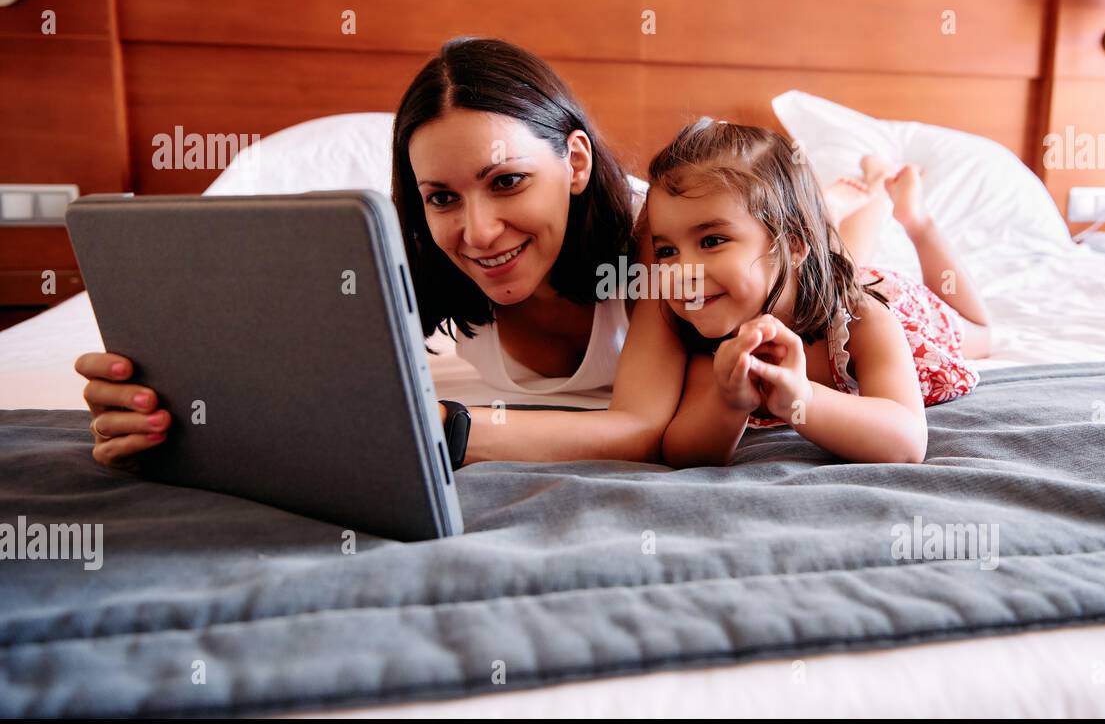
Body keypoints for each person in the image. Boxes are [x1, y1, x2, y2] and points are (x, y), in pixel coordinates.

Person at [75, 37, 687, 467]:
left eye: (506, 181)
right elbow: (282, 363)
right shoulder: (408, 248)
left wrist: (440, 428)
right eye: (442, 197)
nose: (476, 233)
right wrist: (165, 405)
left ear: (574, 162)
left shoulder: (657, 239)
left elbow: (637, 430)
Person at [644, 118, 990, 467]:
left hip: (881, 298)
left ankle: (908, 212)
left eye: (712, 241)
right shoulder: (711, 334)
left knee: (982, 335)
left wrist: (802, 399)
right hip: (805, 273)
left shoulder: (864, 320)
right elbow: (680, 451)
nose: (681, 273)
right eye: (666, 251)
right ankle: (840, 205)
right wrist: (727, 402)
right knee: (838, 260)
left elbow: (906, 442)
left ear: (792, 244)